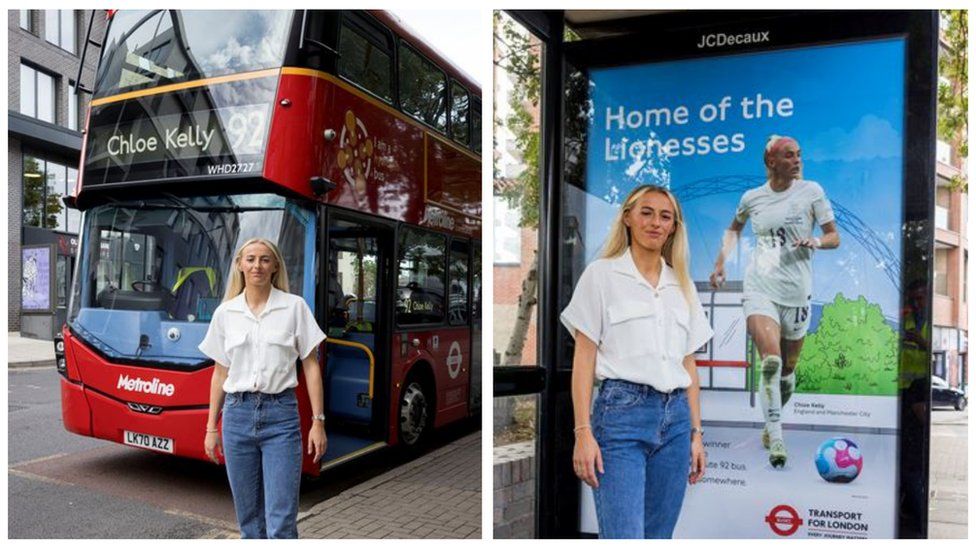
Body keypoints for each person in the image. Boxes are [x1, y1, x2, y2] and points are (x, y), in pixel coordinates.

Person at [561, 185, 713, 539]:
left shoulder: (682, 285)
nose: (655, 223)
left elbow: (687, 364)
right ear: (627, 217)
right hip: (620, 418)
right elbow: (584, 357)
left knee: (658, 537)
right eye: (646, 212)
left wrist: (696, 434)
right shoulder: (601, 275)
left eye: (665, 216)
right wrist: (582, 432)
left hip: (676, 421)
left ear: (674, 227)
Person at [709, 135, 840, 468]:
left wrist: (816, 242)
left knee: (788, 369)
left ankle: (770, 421)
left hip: (796, 293)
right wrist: (721, 263)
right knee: (771, 362)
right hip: (760, 287)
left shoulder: (812, 191)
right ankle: (777, 439)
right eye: (789, 156)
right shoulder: (752, 198)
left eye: (799, 154)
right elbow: (734, 229)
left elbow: (834, 236)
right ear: (771, 162)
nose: (797, 160)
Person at [199, 237, 327, 538]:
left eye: (265, 259)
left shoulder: (294, 307)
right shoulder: (225, 313)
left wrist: (317, 422)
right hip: (237, 416)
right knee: (249, 521)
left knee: (281, 521)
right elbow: (219, 374)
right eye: (251, 259)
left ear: (275, 266)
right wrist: (210, 427)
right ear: (240, 265)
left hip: (281, 417)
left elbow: (310, 365)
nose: (257, 265)